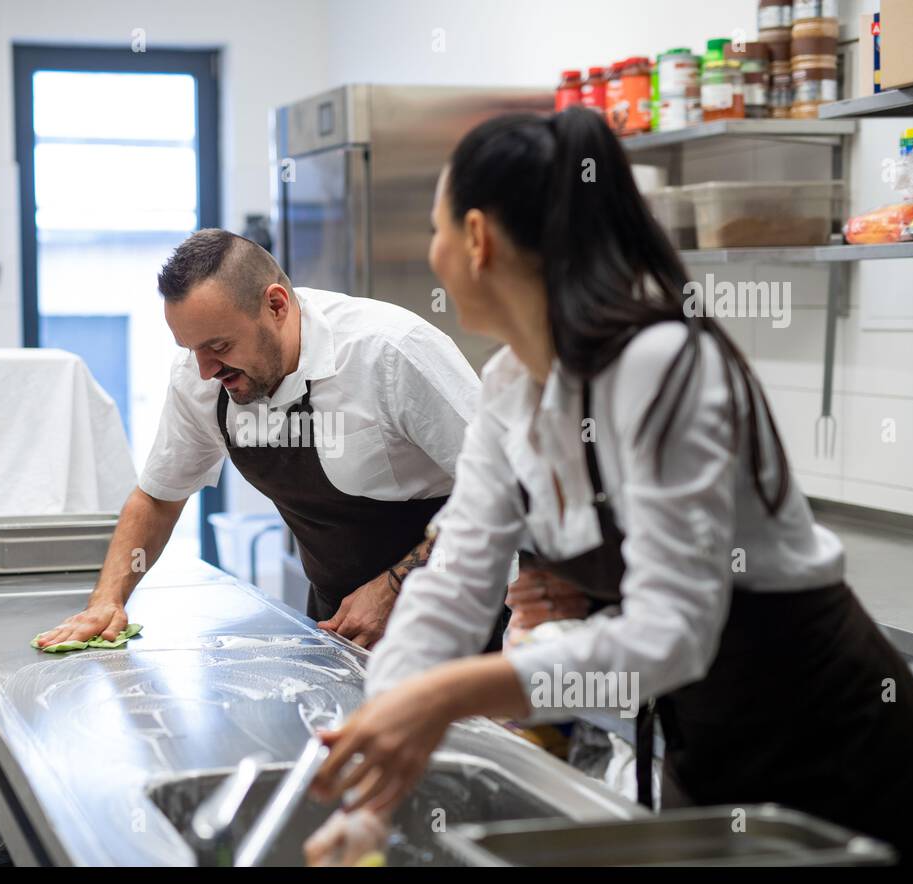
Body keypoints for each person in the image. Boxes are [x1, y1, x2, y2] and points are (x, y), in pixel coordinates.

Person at [309, 108, 913, 864]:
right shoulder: (513, 386)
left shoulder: (660, 363)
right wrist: (372, 785)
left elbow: (670, 631)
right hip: (709, 742)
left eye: (438, 228)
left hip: (838, 745)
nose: (433, 250)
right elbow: (453, 586)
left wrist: (445, 695)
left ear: (476, 240)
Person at [36, 229, 563, 649]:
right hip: (340, 622)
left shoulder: (390, 352)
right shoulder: (202, 374)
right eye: (191, 349)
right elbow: (158, 497)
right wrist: (108, 599)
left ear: (277, 306)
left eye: (219, 346)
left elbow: (508, 489)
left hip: (461, 618)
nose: (204, 370)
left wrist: (391, 589)